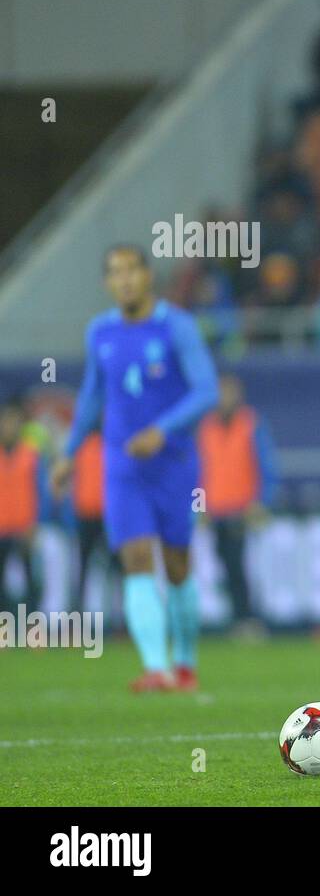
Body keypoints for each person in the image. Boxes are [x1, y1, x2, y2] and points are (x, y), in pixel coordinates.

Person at [50, 245, 219, 692]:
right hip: (122, 464)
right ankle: (156, 668)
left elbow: (206, 391)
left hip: (173, 463)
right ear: (108, 282)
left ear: (148, 276)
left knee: (177, 563)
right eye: (115, 273)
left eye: (131, 270)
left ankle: (184, 662)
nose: (124, 280)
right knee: (136, 559)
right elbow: (91, 396)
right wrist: (68, 452)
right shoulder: (99, 333)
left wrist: (162, 429)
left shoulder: (177, 327)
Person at [198, 374, 278, 636]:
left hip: (242, 510)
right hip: (216, 510)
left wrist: (261, 502)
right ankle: (238, 617)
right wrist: (199, 507)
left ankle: (247, 617)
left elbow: (266, 466)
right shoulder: (206, 427)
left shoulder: (251, 424)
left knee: (241, 565)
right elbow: (197, 471)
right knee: (224, 564)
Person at [0, 397, 46, 614]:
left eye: (14, 421)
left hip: (24, 527)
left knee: (32, 581)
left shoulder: (31, 454)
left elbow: (40, 491)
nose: (9, 426)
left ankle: (33, 631)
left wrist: (35, 523)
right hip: (1, 527)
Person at [69, 424, 119, 618]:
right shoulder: (79, 445)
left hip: (109, 515)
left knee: (115, 570)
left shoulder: (113, 443)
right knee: (83, 569)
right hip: (85, 516)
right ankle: (77, 616)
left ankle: (119, 619)